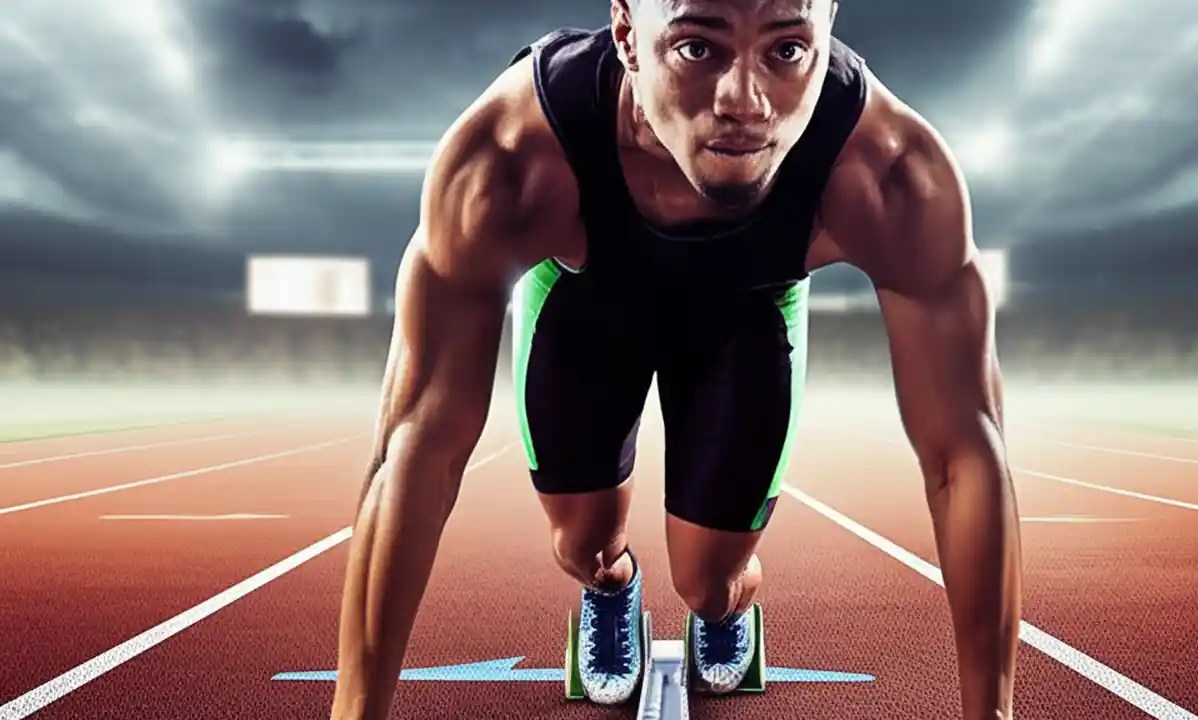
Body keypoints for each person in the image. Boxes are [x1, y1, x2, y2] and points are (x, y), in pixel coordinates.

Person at [329, 1, 1022, 718]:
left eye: (786, 51)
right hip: (585, 301)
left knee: (709, 582)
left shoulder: (889, 171)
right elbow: (415, 449)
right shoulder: (512, 160)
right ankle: (610, 590)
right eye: (698, 49)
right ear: (628, 33)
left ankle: (723, 613)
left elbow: (964, 454)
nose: (744, 102)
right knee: (582, 545)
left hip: (747, 316)